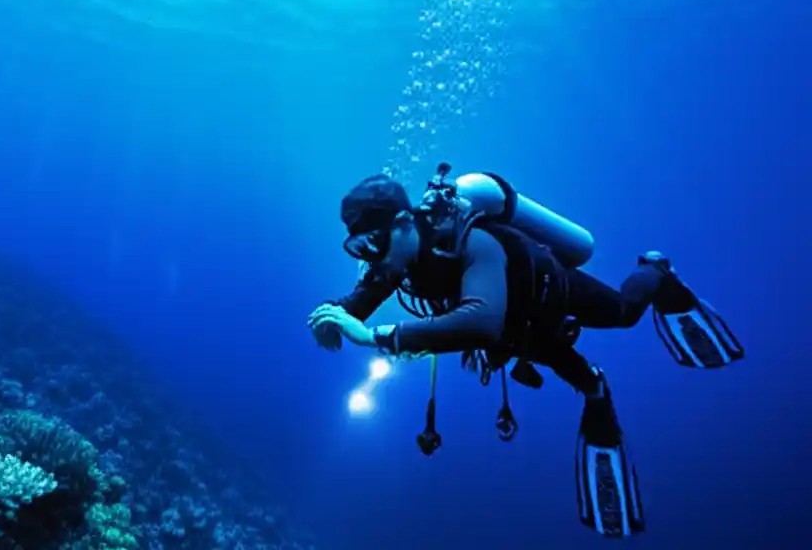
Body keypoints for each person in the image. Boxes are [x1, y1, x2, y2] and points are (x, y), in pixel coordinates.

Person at [307, 164, 744, 539]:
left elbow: (482, 321)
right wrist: (333, 316)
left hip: (548, 293)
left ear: (404, 222)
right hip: (522, 336)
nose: (371, 258)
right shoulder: (393, 261)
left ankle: (655, 270)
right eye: (359, 248)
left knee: (624, 313)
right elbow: (358, 300)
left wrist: (374, 336)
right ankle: (595, 391)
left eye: (374, 243)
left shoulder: (473, 241)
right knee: (578, 376)